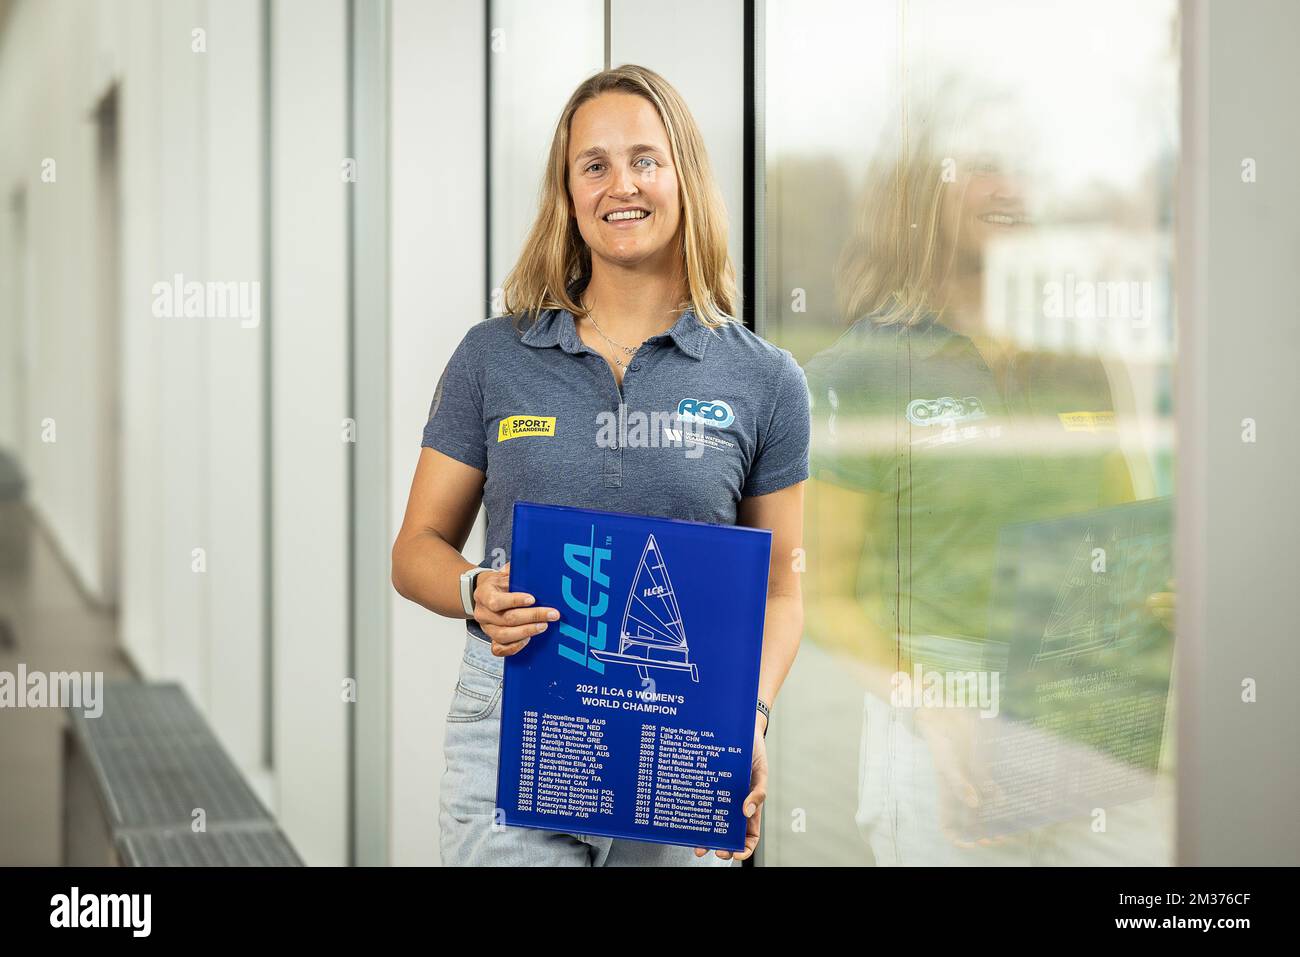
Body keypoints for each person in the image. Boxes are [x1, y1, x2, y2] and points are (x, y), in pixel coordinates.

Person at [391, 64, 809, 867]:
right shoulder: (492, 357)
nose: (623, 184)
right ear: (569, 192)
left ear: (683, 176)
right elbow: (415, 550)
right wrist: (473, 590)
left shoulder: (765, 380)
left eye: (646, 159)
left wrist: (747, 718)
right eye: (596, 164)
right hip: (517, 726)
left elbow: (784, 589)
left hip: (686, 737)